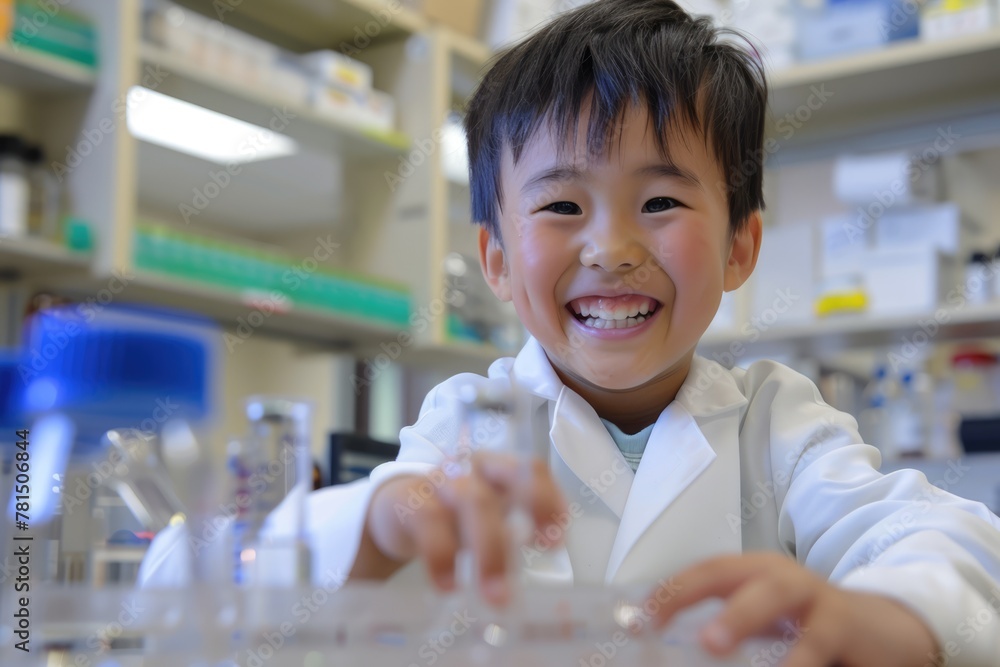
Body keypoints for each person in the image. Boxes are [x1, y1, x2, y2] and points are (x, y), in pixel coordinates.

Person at [316, 1, 1000, 664]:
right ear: (495, 258)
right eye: (561, 205)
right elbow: (338, 548)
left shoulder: (778, 424)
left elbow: (940, 540)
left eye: (661, 202)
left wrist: (890, 616)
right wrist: (383, 520)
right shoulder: (469, 421)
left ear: (738, 245)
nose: (611, 248)